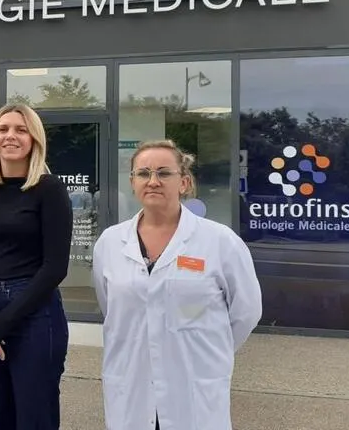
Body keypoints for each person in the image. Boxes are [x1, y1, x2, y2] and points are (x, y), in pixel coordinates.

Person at [91, 139, 263, 430]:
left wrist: (207, 351)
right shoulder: (110, 242)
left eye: (164, 173)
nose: (153, 181)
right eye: (143, 173)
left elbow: (246, 312)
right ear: (133, 182)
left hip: (193, 384)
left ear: (184, 182)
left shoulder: (220, 241)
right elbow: (112, 308)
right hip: (131, 381)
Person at [0, 103, 74, 429]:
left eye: (21, 129)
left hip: (34, 313)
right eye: (4, 129)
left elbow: (55, 268)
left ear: (34, 139)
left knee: (33, 417)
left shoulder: (49, 189)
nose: (11, 136)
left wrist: (0, 326)